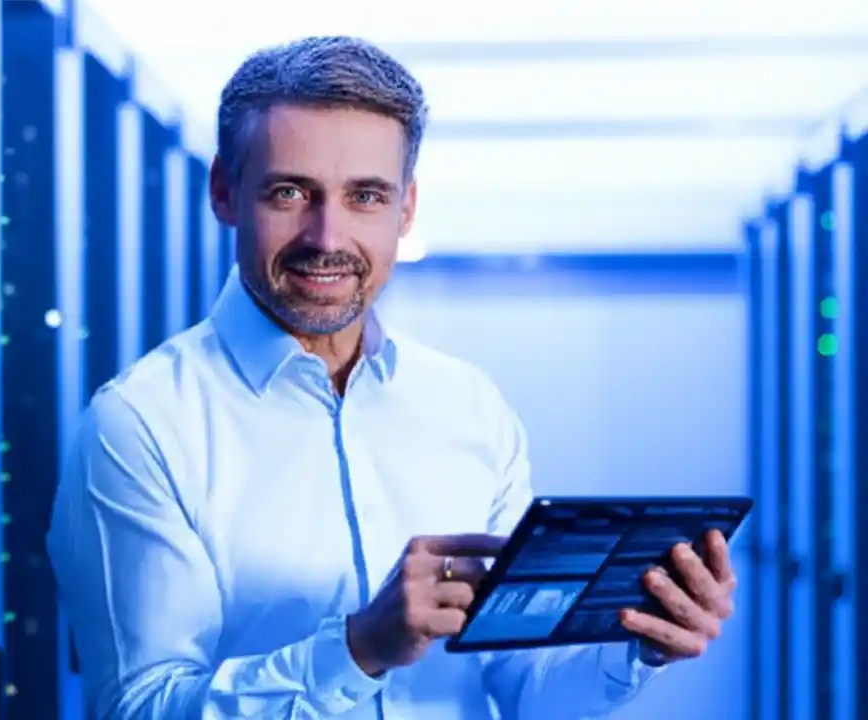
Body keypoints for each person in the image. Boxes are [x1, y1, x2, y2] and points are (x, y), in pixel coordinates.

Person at [46, 35, 739, 719]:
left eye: (365, 197)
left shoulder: (469, 407)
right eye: (290, 193)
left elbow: (524, 687)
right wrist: (356, 649)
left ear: (405, 209)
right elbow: (138, 709)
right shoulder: (140, 424)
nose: (327, 238)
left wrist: (639, 645)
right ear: (225, 193)